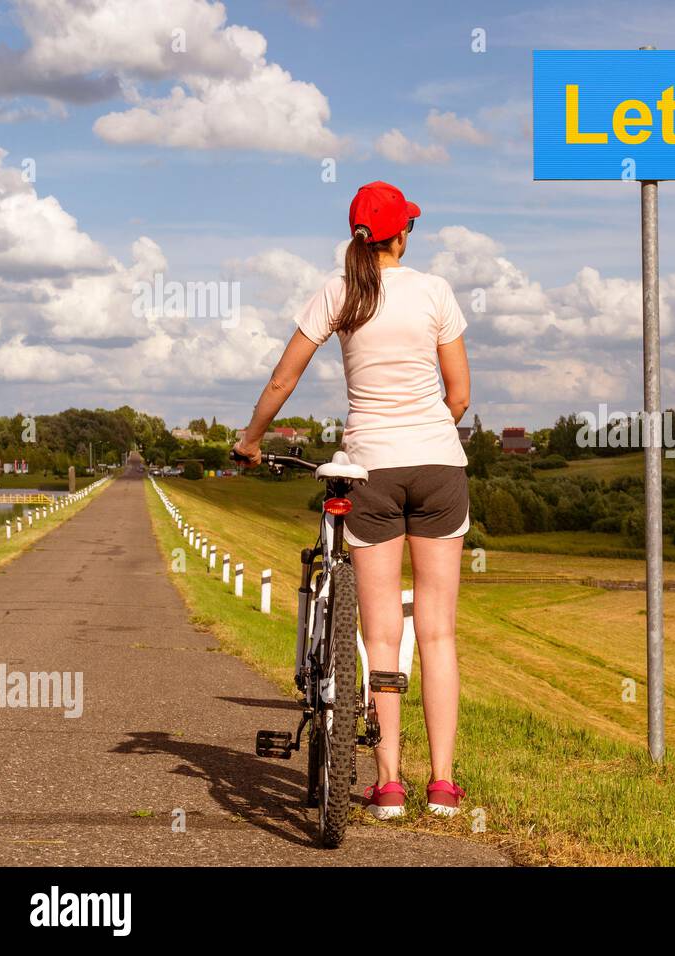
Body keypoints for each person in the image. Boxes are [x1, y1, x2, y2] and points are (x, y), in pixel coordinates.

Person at [233, 181, 471, 819]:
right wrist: (428, 433)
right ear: (402, 234)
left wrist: (252, 438)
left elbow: (285, 376)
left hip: (368, 472)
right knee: (439, 632)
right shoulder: (435, 293)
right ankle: (443, 785)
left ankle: (388, 781)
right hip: (439, 468)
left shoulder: (339, 294)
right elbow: (460, 395)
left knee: (382, 635)